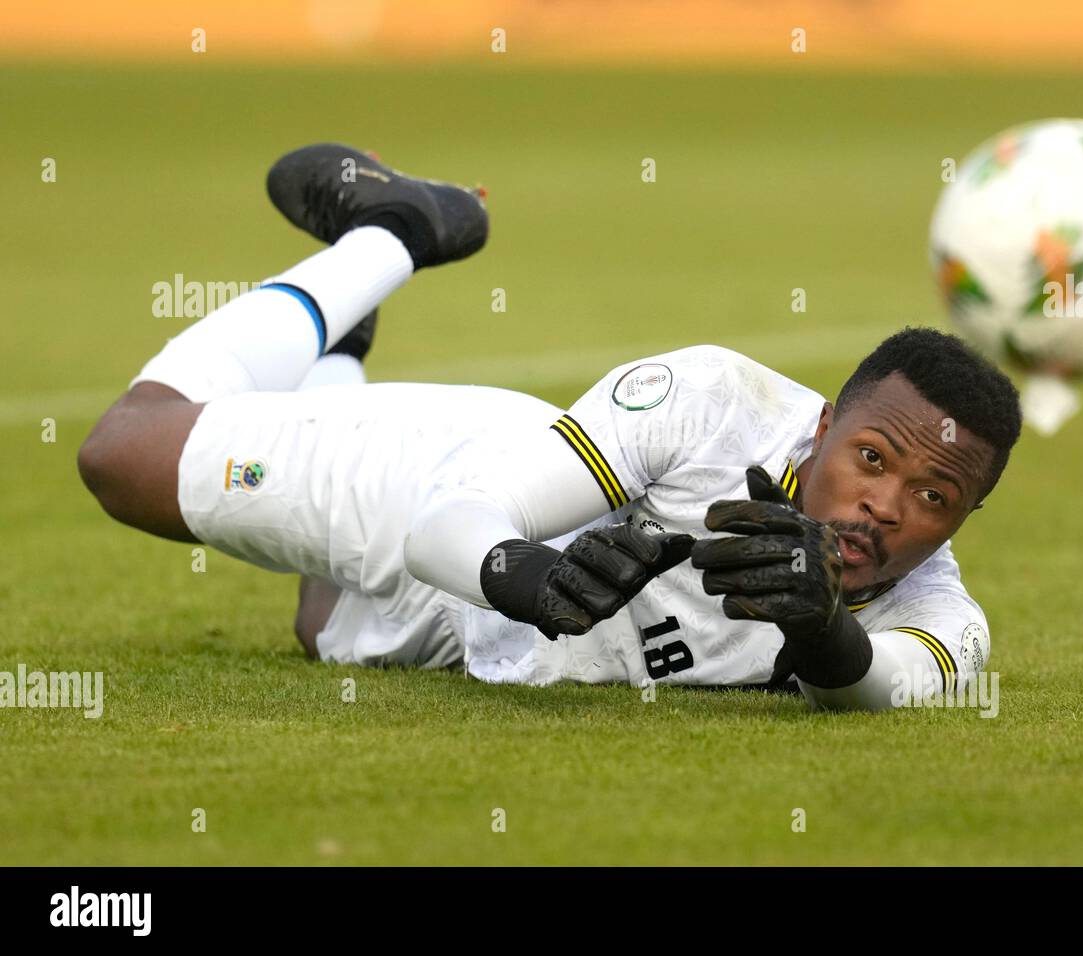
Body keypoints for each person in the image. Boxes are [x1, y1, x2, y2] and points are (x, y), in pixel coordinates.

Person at [78, 144, 1022, 712]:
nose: (885, 505)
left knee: (316, 616)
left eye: (934, 498)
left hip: (484, 649)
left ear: (964, 521)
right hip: (453, 482)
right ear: (821, 428)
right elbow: (448, 520)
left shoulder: (942, 618)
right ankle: (396, 229)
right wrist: (533, 576)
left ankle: (342, 363)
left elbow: (881, 688)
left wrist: (822, 632)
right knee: (123, 455)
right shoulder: (709, 400)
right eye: (871, 458)